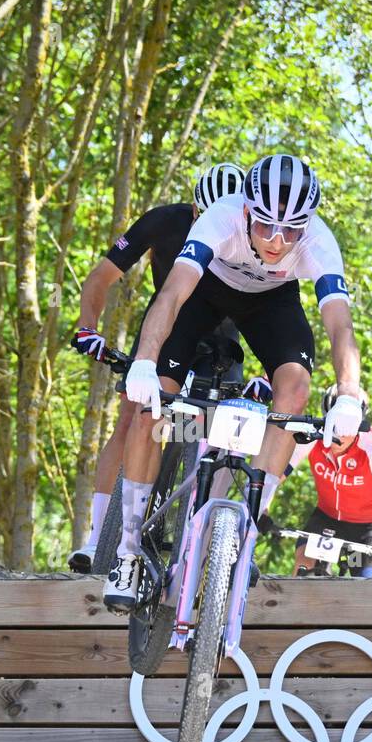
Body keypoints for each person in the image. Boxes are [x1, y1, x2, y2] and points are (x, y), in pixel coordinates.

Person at [104, 153, 364, 611]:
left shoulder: (319, 241)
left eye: (291, 231)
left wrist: (348, 394)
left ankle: (241, 532)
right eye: (265, 226)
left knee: (295, 390)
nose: (277, 241)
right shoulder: (220, 219)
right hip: (203, 293)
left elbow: (340, 327)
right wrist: (144, 361)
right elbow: (172, 294)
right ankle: (127, 551)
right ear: (246, 210)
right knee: (153, 403)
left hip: (271, 302)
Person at [68, 161, 258, 574]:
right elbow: (101, 277)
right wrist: (87, 327)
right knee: (131, 418)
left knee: (227, 435)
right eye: (203, 218)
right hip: (166, 329)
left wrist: (265, 371)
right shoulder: (163, 222)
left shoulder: (255, 236)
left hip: (222, 339)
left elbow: (272, 312)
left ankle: (212, 542)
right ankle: (99, 537)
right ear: (193, 208)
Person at [283, 386, 372, 577]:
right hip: (325, 521)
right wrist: (263, 510)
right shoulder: (311, 436)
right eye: (333, 426)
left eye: (348, 428)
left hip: (366, 530)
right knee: (305, 569)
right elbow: (273, 476)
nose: (340, 435)